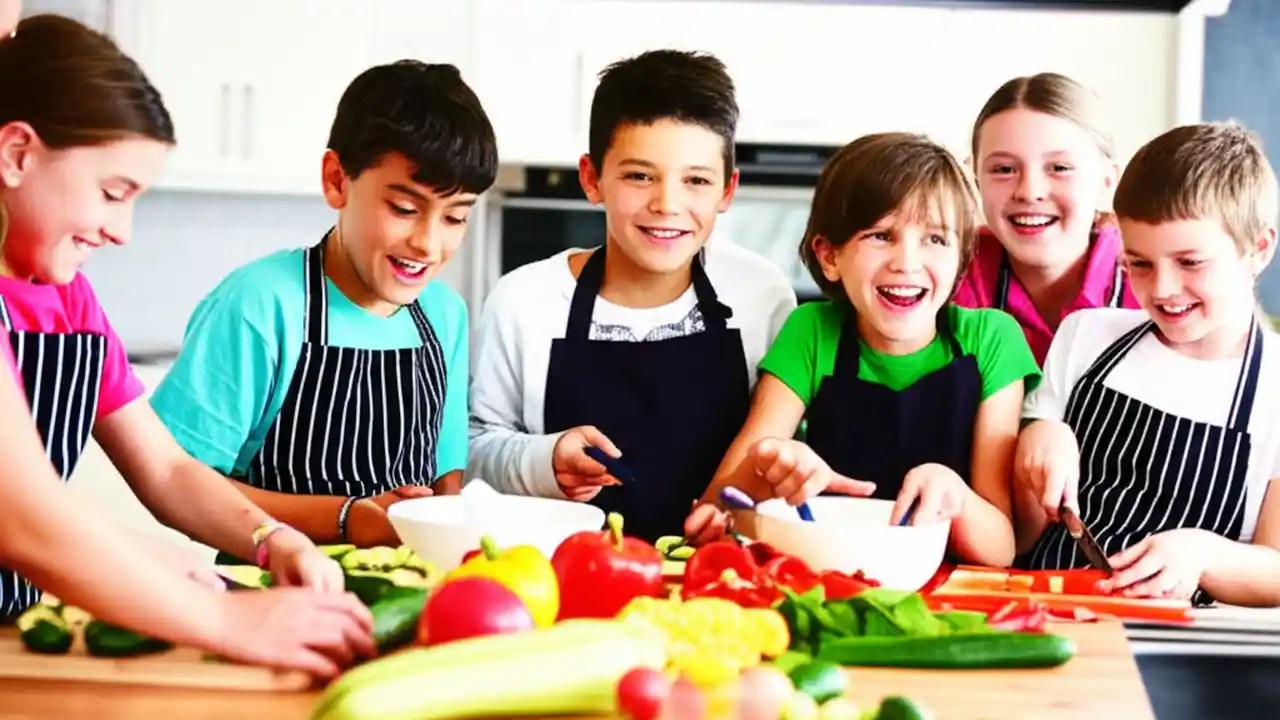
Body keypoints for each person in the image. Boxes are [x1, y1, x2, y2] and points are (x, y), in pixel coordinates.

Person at [0, 14, 343, 618]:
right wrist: (218, 615)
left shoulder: (71, 301)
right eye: (112, 193)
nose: (122, 231)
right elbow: (22, 518)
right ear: (18, 154)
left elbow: (165, 469)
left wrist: (271, 538)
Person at [150, 61, 496, 548]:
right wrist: (346, 517)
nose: (428, 243)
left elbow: (445, 484)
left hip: (412, 599)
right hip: (269, 598)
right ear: (337, 179)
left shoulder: (444, 315)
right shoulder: (262, 305)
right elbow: (175, 485)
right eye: (404, 209)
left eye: (456, 218)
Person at [467, 49, 797, 542]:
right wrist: (544, 460)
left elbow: (787, 445)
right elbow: (471, 457)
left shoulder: (761, 295)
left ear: (727, 191)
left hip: (720, 577)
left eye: (696, 181)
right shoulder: (522, 302)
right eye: (639, 176)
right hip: (569, 578)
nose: (667, 204)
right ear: (591, 178)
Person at [686, 133, 1041, 568]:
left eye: (935, 239)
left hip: (948, 591)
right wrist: (770, 469)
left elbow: (1001, 548)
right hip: (825, 579)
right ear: (829, 256)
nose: (906, 262)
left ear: (962, 262)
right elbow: (715, 508)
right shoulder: (812, 331)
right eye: (880, 235)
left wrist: (955, 494)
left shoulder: (991, 339)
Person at [1016, 122, 1280, 608]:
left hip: (1173, 642)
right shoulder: (1086, 336)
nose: (1161, 289)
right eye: (1139, 263)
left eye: (1191, 262)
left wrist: (1201, 554)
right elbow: (1022, 523)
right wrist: (1039, 432)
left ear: (1258, 249)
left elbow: (1277, 570)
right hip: (1044, 611)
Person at [954, 73, 1140, 366]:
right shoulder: (948, 273)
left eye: (1060, 167)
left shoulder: (1153, 280)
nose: (1030, 191)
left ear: (1106, 181)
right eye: (1003, 169)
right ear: (976, 179)